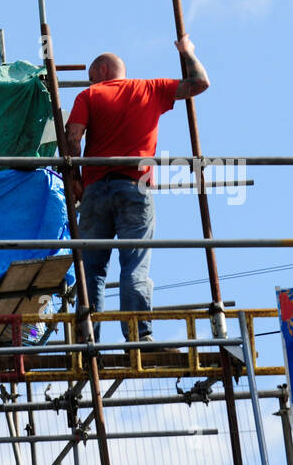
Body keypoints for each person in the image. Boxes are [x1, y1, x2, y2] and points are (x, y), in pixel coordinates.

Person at [65, 35, 210, 342]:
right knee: (134, 265)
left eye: (92, 76)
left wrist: (75, 177)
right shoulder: (152, 89)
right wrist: (188, 52)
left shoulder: (89, 96)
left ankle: (86, 340)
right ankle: (139, 337)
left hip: (94, 193)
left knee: (91, 269)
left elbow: (73, 137)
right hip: (135, 187)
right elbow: (199, 83)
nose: (90, 82)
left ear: (102, 70)